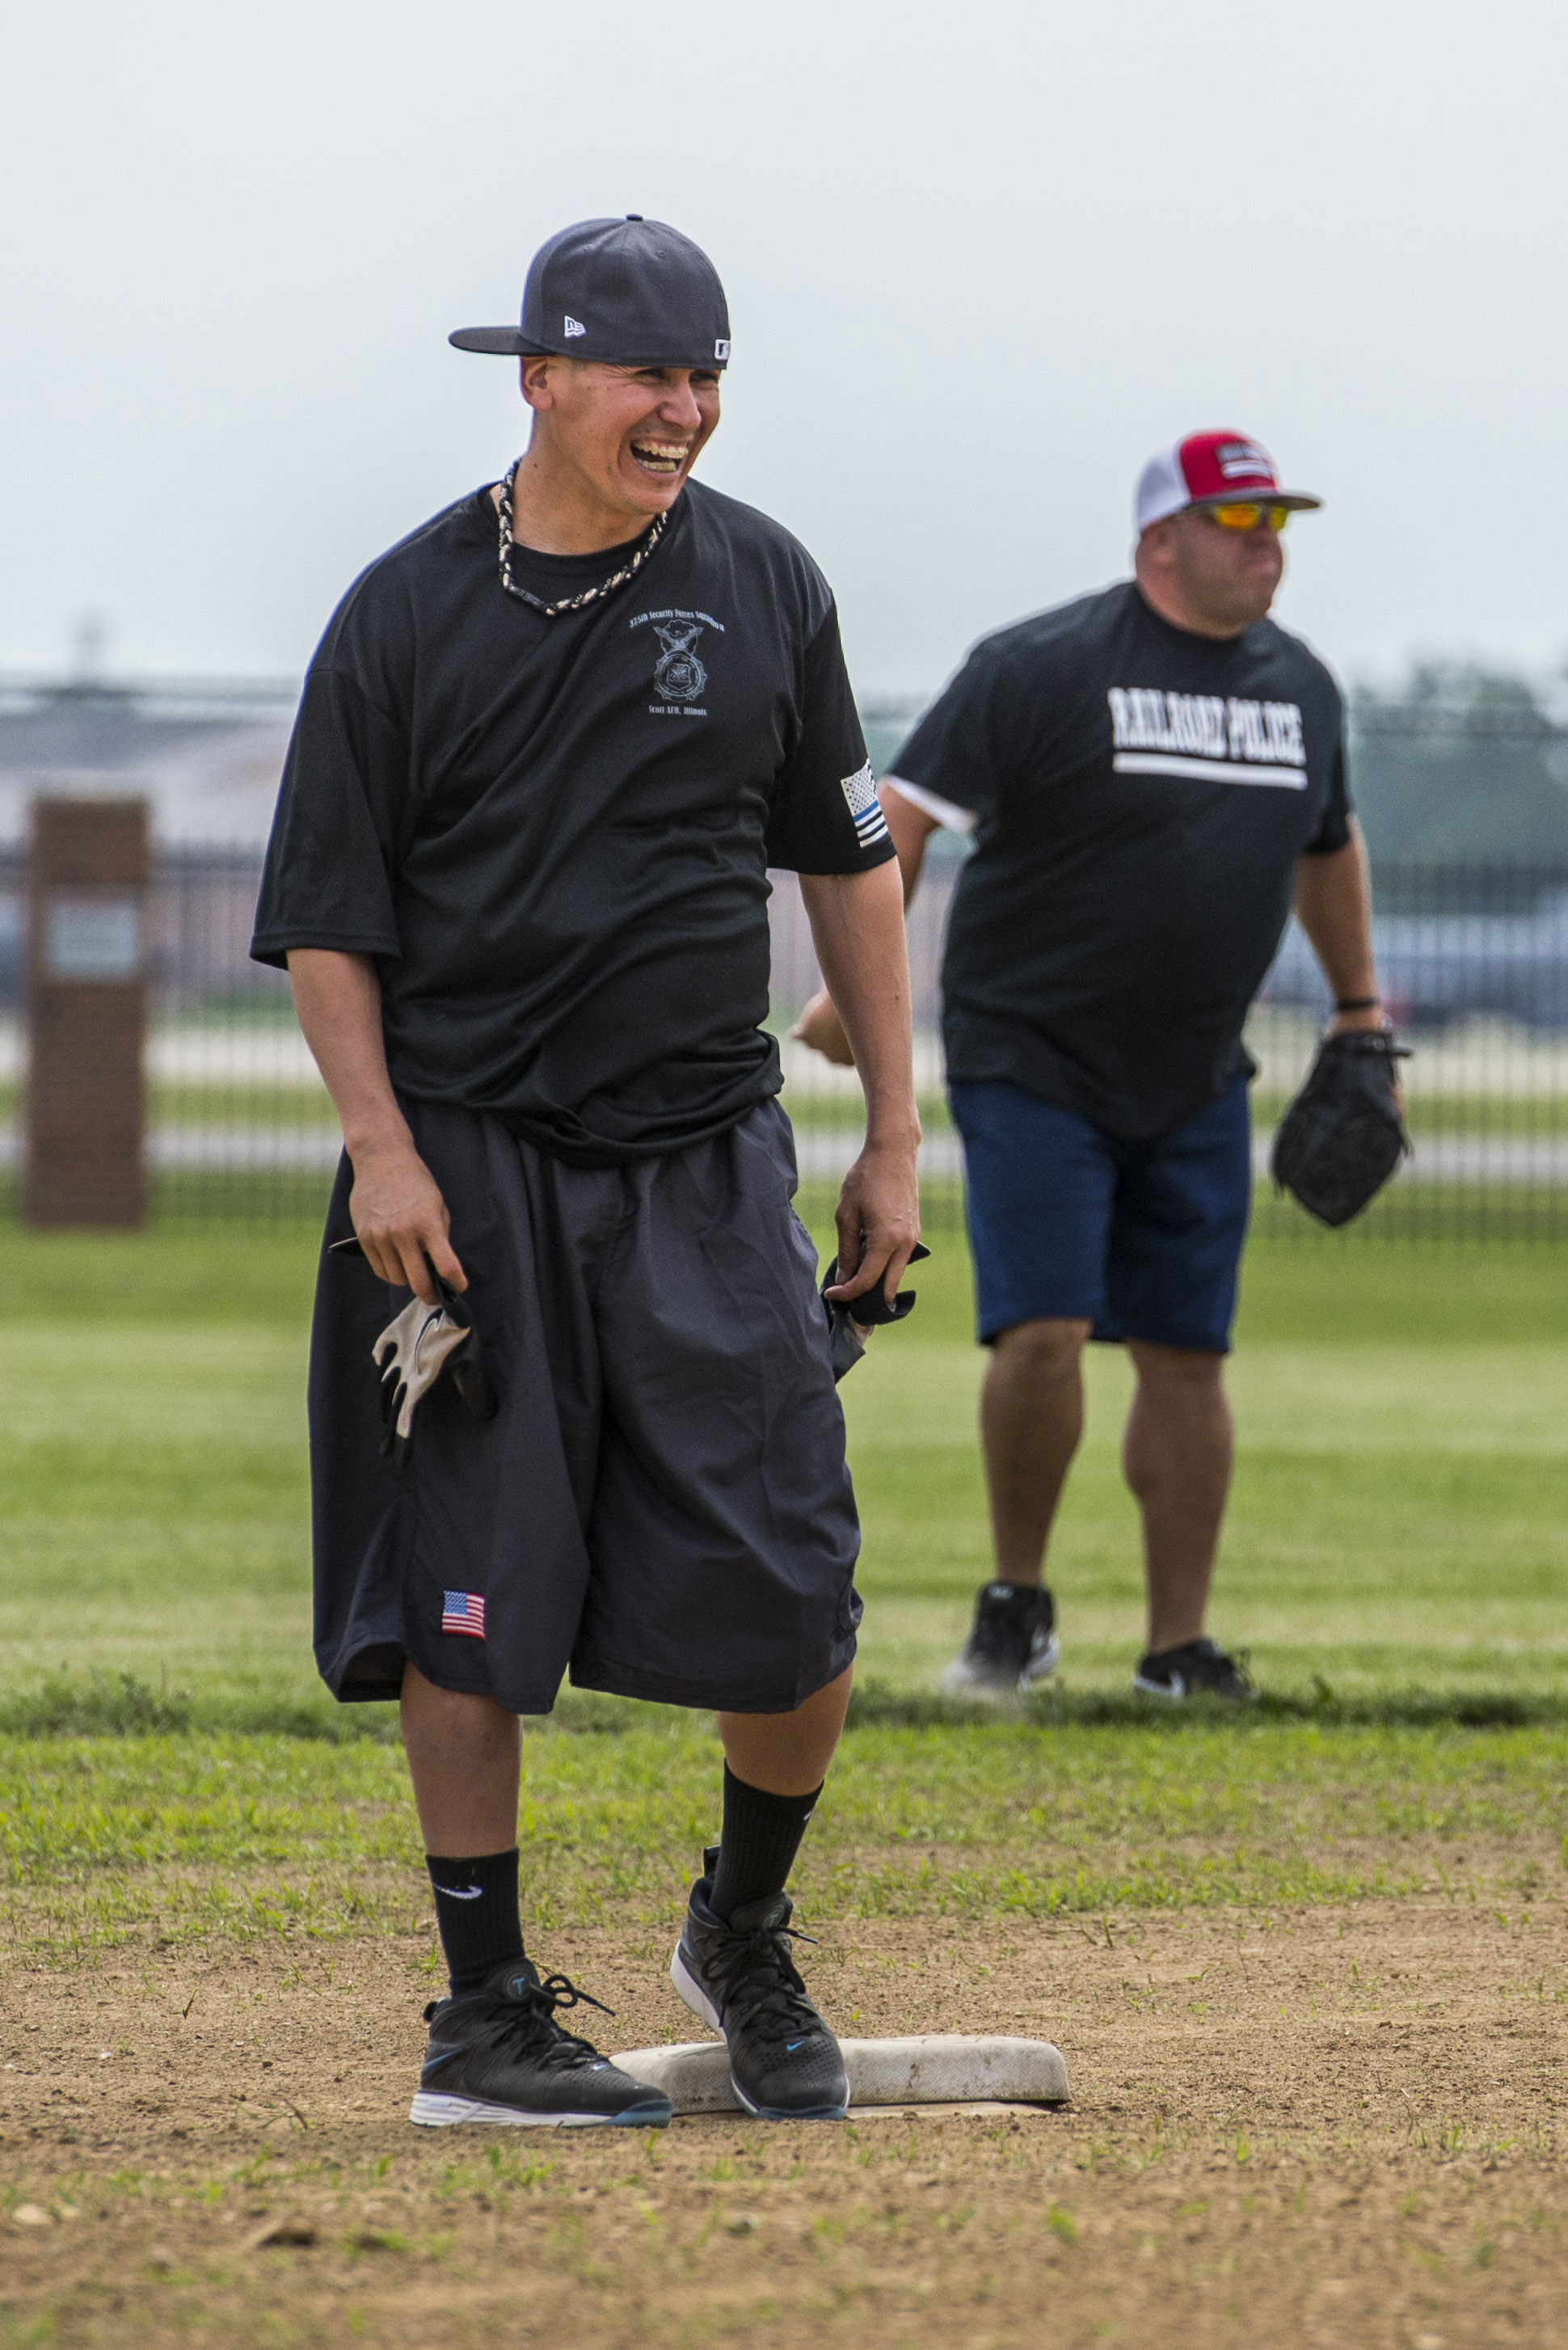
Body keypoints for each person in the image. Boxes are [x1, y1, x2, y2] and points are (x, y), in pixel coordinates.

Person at [251, 215, 920, 2128]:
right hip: (462, 1163)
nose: (682, 407)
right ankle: (483, 2019)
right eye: (643, 371)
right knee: (466, 1586)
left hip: (707, 1156)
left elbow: (849, 856)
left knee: (792, 1578)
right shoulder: (401, 612)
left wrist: (890, 1122)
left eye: (704, 373)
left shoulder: (766, 581)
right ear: (537, 376)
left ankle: (747, 1925)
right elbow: (328, 922)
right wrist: (378, 1148)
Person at [795, 429, 1389, 1701]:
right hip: (1033, 1060)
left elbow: (1326, 850)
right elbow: (901, 821)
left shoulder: (1306, 691)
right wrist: (858, 997)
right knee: (1045, 1334)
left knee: (1188, 1355)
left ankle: (1177, 1648)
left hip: (1194, 1073)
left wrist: (1358, 1010)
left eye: (1276, 521)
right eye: (1238, 523)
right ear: (1159, 540)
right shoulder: (1043, 666)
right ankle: (1016, 1612)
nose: (1267, 543)